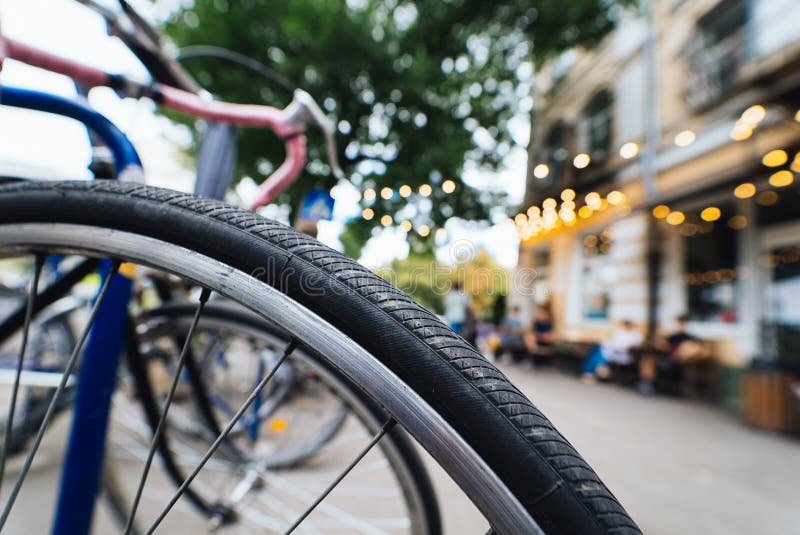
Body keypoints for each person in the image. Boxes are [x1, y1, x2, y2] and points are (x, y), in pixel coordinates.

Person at [636, 314, 710, 395]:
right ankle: (646, 383)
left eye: (683, 323)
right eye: (680, 323)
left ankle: (646, 383)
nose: (681, 325)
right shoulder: (673, 336)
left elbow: (701, 349)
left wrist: (682, 350)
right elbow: (663, 346)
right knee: (648, 358)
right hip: (667, 358)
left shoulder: (691, 338)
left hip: (680, 362)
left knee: (686, 347)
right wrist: (662, 345)